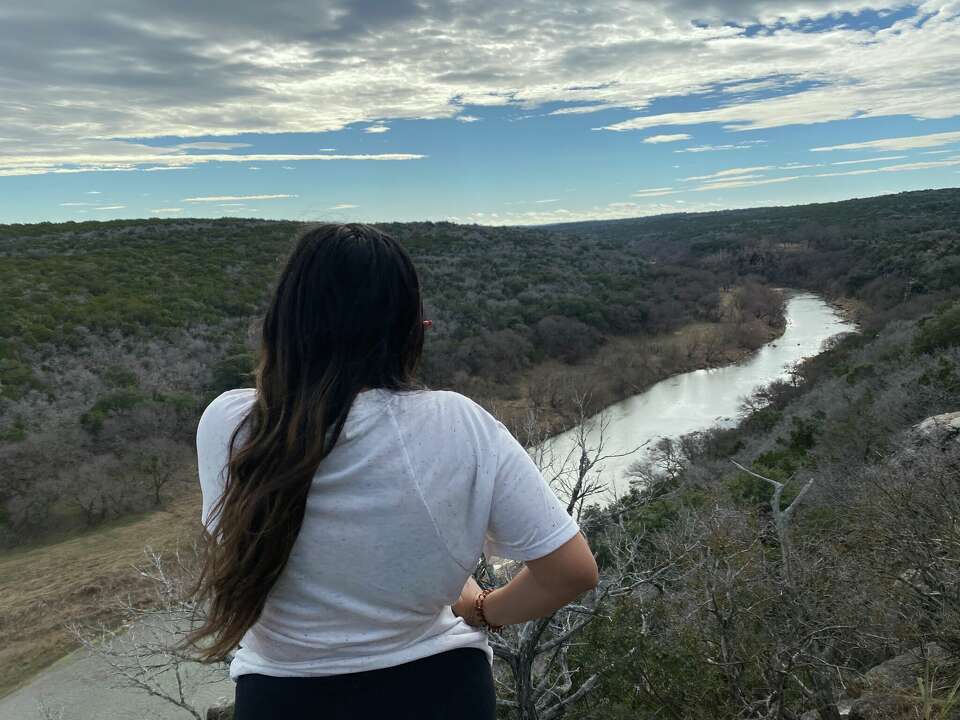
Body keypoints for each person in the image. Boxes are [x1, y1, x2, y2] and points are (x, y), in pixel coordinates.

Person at [185, 223, 599, 719]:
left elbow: (267, 548)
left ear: (282, 324)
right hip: (441, 692)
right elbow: (570, 571)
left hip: (283, 698)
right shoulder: (458, 422)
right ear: (409, 328)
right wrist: (481, 608)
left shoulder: (231, 425)